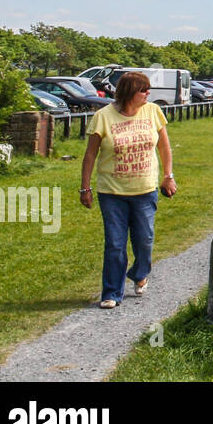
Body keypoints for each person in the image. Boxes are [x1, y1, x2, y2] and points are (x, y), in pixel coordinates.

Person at [80, 71, 176, 309]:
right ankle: (111, 292)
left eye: (148, 89)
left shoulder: (153, 111)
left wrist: (168, 176)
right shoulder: (103, 117)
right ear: (129, 92)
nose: (148, 93)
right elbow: (90, 154)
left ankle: (139, 272)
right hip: (112, 192)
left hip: (145, 190)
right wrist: (85, 188)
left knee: (145, 241)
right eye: (143, 90)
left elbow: (164, 146)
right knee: (115, 243)